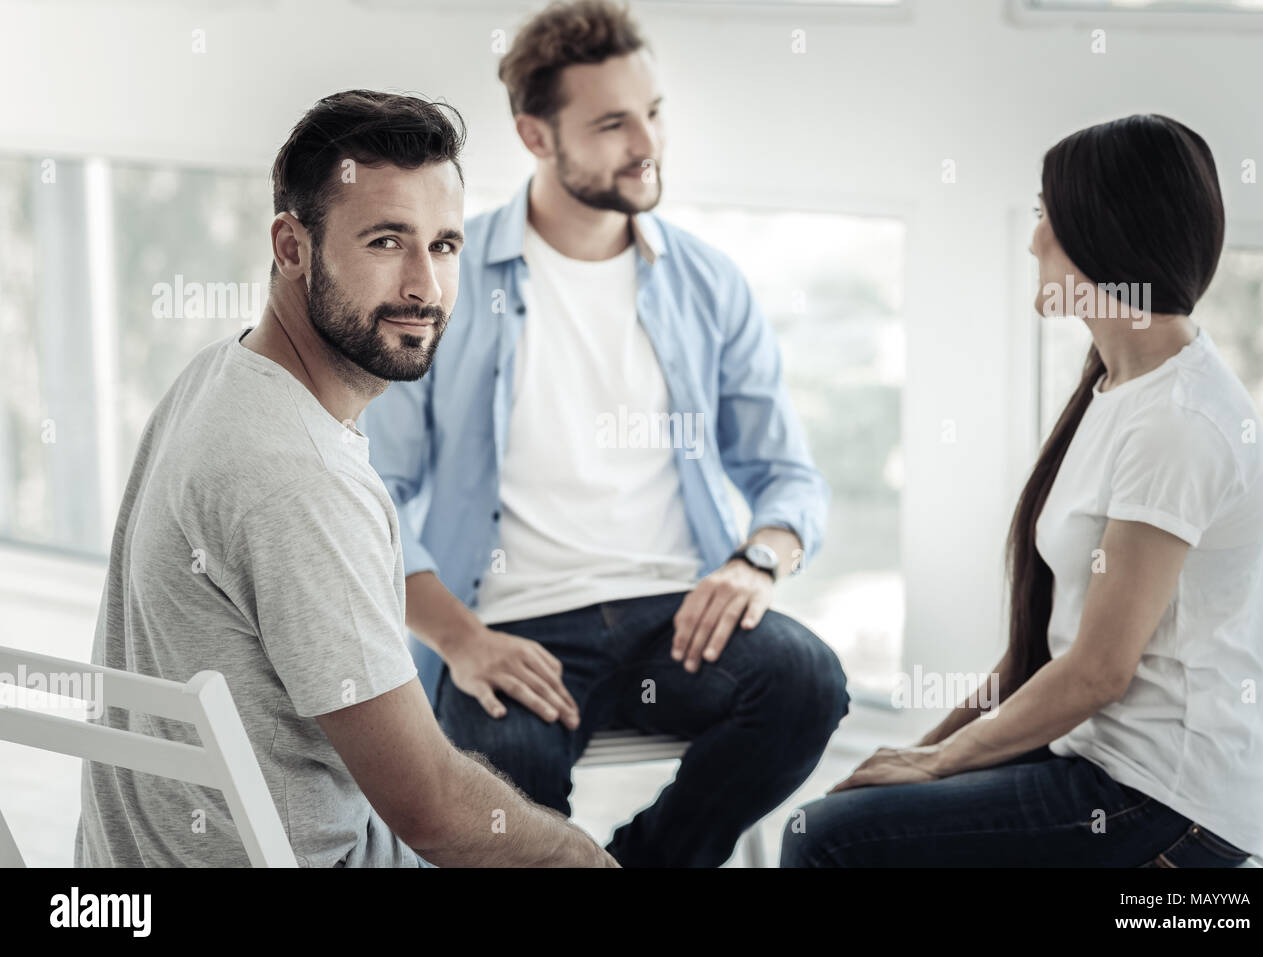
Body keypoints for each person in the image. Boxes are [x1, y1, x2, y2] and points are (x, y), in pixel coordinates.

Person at [363, 0, 849, 867]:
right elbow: (373, 497)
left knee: (807, 683)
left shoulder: (707, 282)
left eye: (654, 113)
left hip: (678, 611)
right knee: (498, 793)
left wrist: (758, 559)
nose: (647, 144)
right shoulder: (444, 278)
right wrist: (460, 639)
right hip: (514, 619)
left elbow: (787, 475)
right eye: (614, 123)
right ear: (537, 136)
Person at [75, 90, 615, 868]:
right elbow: (430, 805)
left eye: (446, 245)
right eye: (388, 241)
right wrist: (586, 856)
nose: (425, 288)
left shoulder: (218, 376)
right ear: (291, 247)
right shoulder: (300, 477)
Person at [781, 114, 1263, 868]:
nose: (1033, 239)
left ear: (1101, 233)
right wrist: (920, 755)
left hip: (1167, 804)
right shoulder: (1118, 385)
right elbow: (1043, 654)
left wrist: (935, 766)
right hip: (1101, 762)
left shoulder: (1178, 423)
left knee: (823, 841)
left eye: (1047, 213)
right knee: (850, 813)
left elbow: (1098, 669)